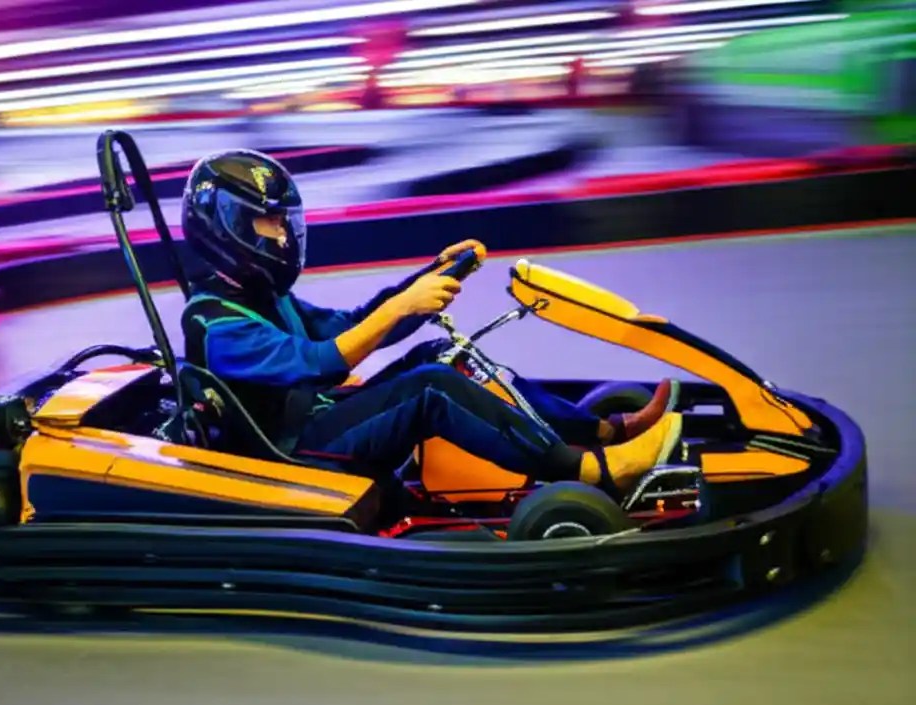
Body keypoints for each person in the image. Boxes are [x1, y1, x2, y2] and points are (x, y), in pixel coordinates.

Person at [178, 149, 682, 495]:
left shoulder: (261, 294)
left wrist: (423, 283)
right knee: (430, 388)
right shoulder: (218, 324)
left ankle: (604, 430)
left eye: (286, 223)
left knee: (444, 358)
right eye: (271, 223)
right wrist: (402, 306)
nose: (284, 236)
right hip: (291, 455)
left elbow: (351, 325)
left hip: (315, 421)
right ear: (230, 226)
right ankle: (588, 472)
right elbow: (320, 364)